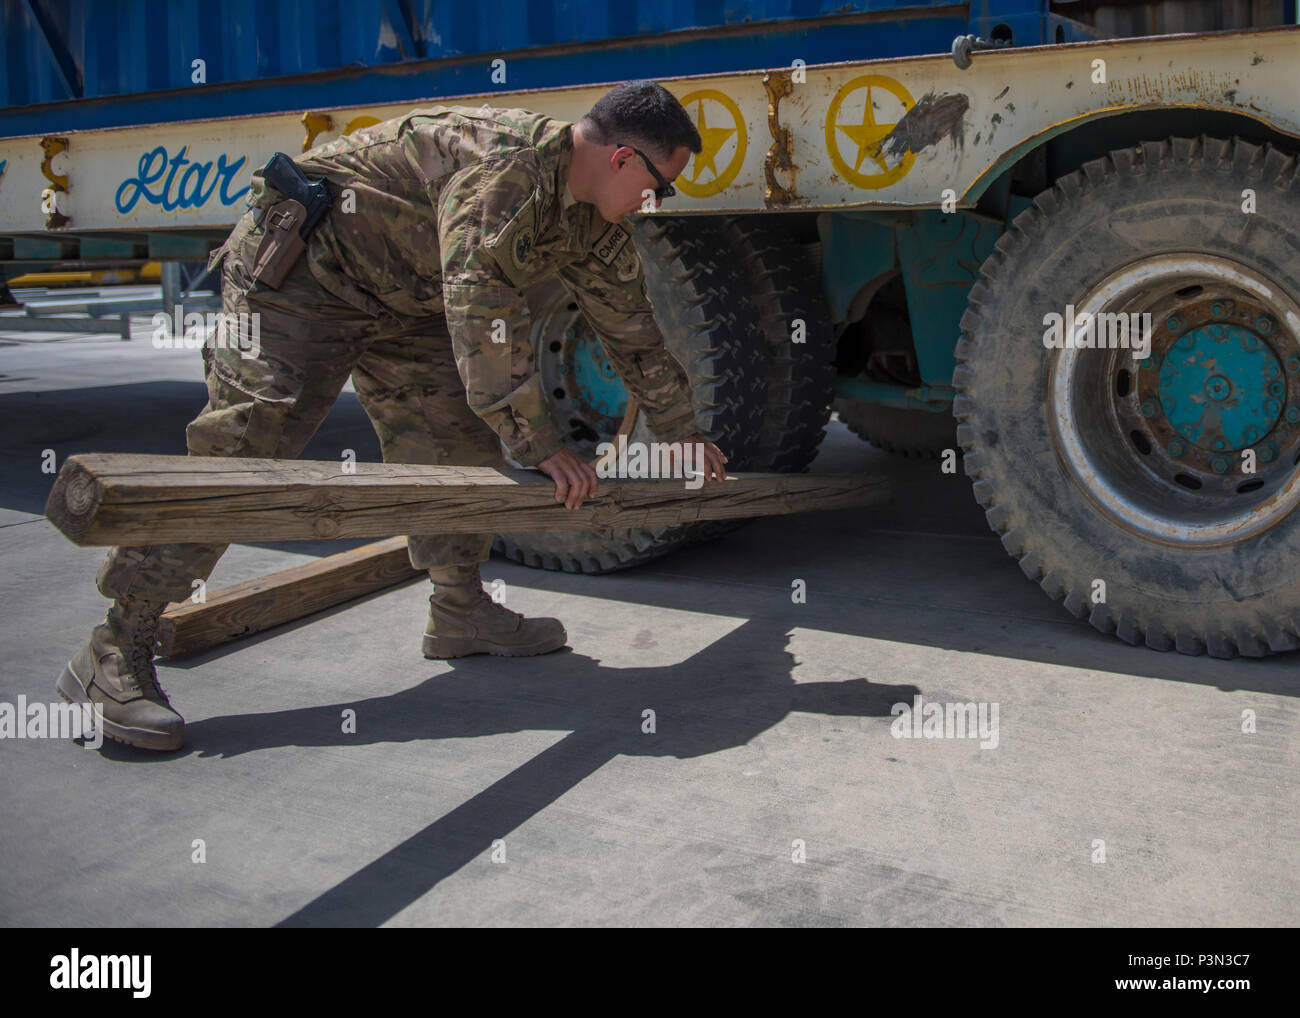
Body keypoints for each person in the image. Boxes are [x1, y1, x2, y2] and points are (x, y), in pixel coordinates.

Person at [54, 80, 729, 752]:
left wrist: (682, 433)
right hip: (305, 275)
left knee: (456, 445)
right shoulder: (508, 172)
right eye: (658, 187)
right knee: (249, 444)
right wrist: (538, 440)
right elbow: (480, 314)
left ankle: (459, 609)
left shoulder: (592, 221)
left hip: (403, 298)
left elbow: (632, 327)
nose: (652, 204)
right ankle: (117, 645)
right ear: (620, 159)